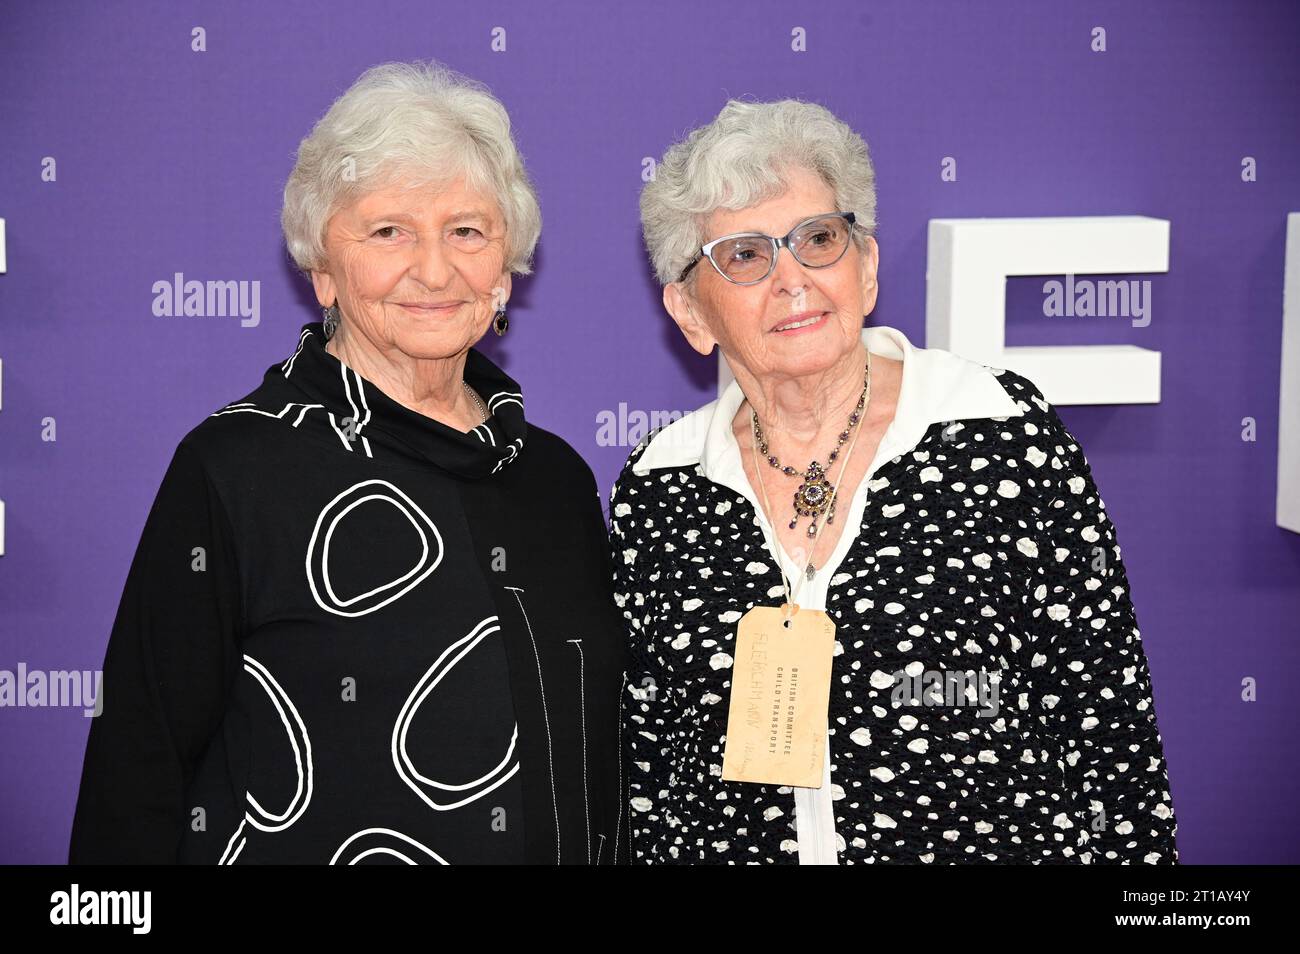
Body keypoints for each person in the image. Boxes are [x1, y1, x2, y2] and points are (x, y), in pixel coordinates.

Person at [69, 60, 628, 865]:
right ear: (322, 271)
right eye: (388, 231)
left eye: (467, 231)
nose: (434, 270)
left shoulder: (556, 479)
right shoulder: (234, 468)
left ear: (505, 273)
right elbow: (137, 771)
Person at [612, 97, 1178, 864]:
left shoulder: (999, 433)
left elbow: (1109, 740)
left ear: (867, 266)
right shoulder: (662, 486)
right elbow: (651, 777)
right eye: (745, 255)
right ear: (689, 311)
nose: (793, 280)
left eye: (818, 238)